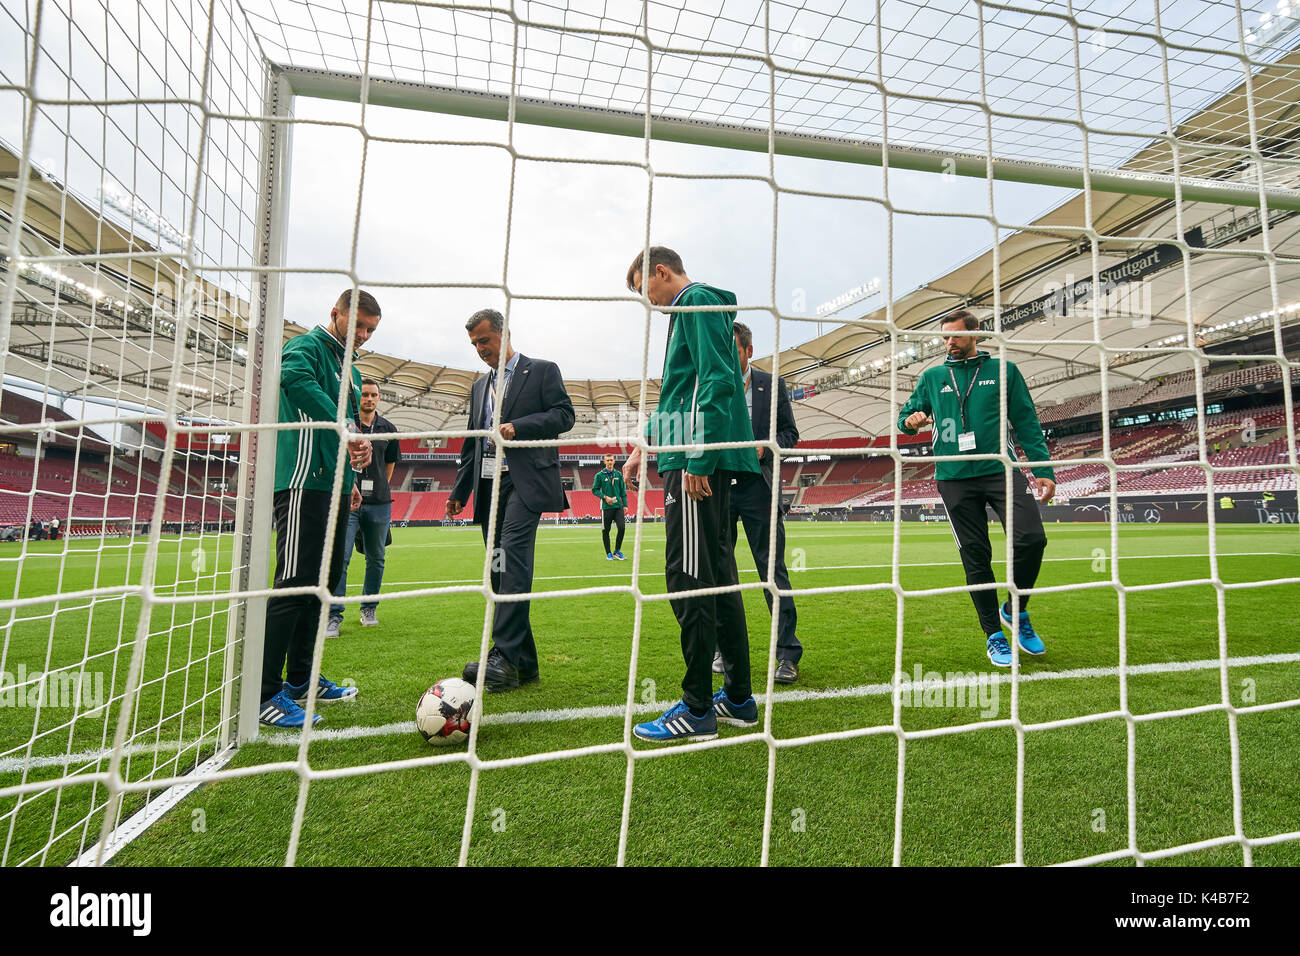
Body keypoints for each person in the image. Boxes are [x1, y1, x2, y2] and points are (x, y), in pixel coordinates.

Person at [622, 246, 760, 743]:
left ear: (661, 272)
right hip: (692, 458)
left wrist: (698, 458)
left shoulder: (695, 302)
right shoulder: (689, 313)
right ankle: (739, 700)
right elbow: (682, 392)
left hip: (698, 466)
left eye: (644, 290)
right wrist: (644, 446)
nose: (648, 301)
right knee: (719, 578)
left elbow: (719, 382)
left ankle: (698, 708)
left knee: (690, 579)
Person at [898, 309, 1055, 668]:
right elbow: (904, 419)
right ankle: (994, 636)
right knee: (975, 553)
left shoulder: (1004, 371)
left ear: (975, 334)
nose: (948, 342)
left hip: (1001, 469)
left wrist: (1042, 468)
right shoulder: (933, 377)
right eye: (944, 337)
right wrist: (911, 420)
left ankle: (1015, 610)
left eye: (955, 335)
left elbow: (1026, 419)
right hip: (953, 477)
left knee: (1032, 538)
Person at [258, 288, 378, 728]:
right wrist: (347, 426)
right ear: (336, 314)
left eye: (370, 330)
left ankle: (301, 682)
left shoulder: (356, 374)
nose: (363, 335)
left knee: (320, 588)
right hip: (300, 483)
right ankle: (263, 694)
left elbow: (344, 438)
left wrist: (353, 478)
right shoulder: (305, 347)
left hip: (333, 489)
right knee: (294, 585)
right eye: (358, 324)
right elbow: (294, 382)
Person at [447, 309, 574, 692]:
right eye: (474, 344)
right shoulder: (478, 387)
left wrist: (519, 427)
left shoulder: (541, 370)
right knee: (499, 569)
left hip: (526, 482)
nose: (480, 349)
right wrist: (459, 492)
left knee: (513, 556)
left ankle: (501, 654)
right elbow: (473, 443)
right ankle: (524, 664)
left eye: (485, 340)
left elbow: (564, 415)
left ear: (504, 334)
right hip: (489, 489)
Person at [716, 319, 803, 683]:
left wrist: (765, 448)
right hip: (718, 487)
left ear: (748, 350)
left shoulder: (772, 384)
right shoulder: (711, 383)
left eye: (731, 349)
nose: (724, 355)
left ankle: (787, 654)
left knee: (773, 573)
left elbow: (790, 433)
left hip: (758, 488)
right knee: (719, 573)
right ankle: (723, 650)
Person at [327, 379, 402, 635]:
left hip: (379, 503)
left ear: (379, 398)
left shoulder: (388, 429)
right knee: (342, 556)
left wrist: (378, 486)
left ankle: (369, 608)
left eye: (374, 395)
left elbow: (389, 466)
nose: (369, 399)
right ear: (359, 397)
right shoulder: (347, 426)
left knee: (377, 558)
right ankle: (334, 614)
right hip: (348, 500)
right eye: (365, 395)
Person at [591, 453, 627, 560]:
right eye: (607, 460)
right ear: (604, 462)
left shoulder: (619, 475)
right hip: (606, 508)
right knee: (606, 530)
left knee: (622, 528)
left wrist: (625, 505)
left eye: (611, 460)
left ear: (614, 461)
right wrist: (605, 497)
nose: (610, 462)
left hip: (618, 506)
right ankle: (608, 553)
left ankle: (617, 550)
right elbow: (594, 490)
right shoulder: (599, 475)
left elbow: (622, 491)